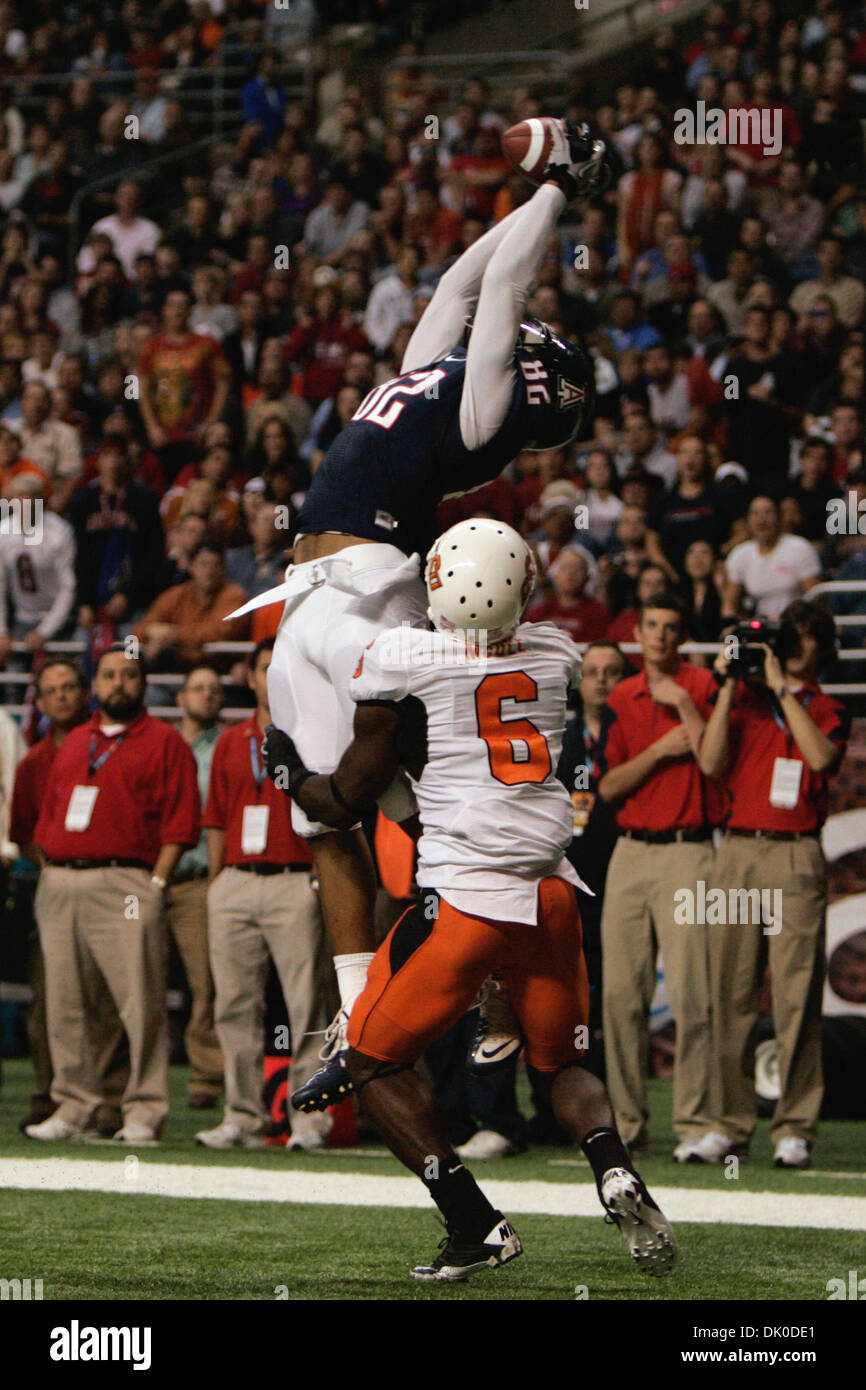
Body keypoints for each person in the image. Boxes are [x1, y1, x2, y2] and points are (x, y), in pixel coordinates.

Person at [232, 119, 609, 1114]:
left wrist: (556, 187)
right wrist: (530, 198)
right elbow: (459, 286)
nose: (522, 336)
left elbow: (503, 289)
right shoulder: (445, 379)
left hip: (370, 588)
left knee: (410, 783)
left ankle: (490, 973)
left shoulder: (485, 418)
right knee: (323, 813)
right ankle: (359, 1014)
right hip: (312, 595)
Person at [266, 519, 675, 1282]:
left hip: (466, 905)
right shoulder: (555, 652)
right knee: (563, 1065)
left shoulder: (402, 657)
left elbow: (344, 798)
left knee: (370, 1066)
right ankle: (612, 1166)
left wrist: (289, 769)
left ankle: (472, 1222)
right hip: (552, 893)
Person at [26, 646, 200, 1144]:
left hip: (127, 881)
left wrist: (157, 884)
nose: (118, 683)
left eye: (128, 675)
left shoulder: (165, 742)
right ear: (95, 685)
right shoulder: (75, 742)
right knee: (64, 1002)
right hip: (61, 881)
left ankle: (144, 1108)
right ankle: (73, 1104)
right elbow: (46, 819)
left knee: (138, 1002)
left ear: (143, 684)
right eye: (108, 675)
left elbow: (181, 822)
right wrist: (51, 873)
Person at [698, 602, 849, 1167]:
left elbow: (822, 757)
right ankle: (727, 1124)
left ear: (822, 649)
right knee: (729, 991)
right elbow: (710, 763)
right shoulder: (745, 699)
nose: (796, 646)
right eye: (791, 636)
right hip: (738, 848)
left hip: (795, 851)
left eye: (807, 638)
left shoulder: (827, 706)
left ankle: (795, 1126)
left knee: (796, 995)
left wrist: (783, 687)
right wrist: (728, 683)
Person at [597, 590, 720, 1159]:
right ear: (639, 633)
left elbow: (717, 765)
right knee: (621, 996)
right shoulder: (622, 696)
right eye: (652, 625)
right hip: (630, 851)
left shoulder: (704, 686)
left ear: (682, 635)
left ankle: (695, 1125)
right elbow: (607, 786)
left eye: (671, 627)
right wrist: (662, 751)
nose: (661, 636)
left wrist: (687, 708)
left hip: (689, 850)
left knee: (695, 993)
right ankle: (627, 1124)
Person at [199, 640, 331, 1151]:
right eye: (263, 668)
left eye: (282, 668)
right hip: (235, 879)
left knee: (306, 1005)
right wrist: (217, 883)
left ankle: (309, 1120)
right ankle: (242, 1116)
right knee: (233, 1005)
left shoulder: (315, 735)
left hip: (294, 879)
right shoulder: (230, 741)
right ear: (250, 677)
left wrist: (319, 880)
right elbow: (215, 818)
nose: (272, 676)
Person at [9, 659, 129, 1132]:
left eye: (69, 687)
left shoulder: (114, 745)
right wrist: (52, 868)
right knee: (52, 997)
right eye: (51, 690)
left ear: (85, 694)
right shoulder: (34, 761)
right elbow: (22, 830)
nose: (60, 696)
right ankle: (53, 1094)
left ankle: (112, 1099)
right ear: (39, 702)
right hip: (56, 885)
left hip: (112, 882)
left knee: (112, 995)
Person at [168, 665, 225, 1110]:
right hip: (146, 880)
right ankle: (123, 1084)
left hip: (199, 880)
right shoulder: (161, 746)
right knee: (135, 985)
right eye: (198, 688)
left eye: (214, 689)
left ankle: (207, 1079)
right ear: (180, 698)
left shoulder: (228, 746)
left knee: (206, 985)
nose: (207, 695)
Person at [723, 495, 821, 618]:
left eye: (768, 512)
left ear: (779, 518)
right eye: (755, 513)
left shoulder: (800, 548)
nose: (761, 520)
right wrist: (731, 623)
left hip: (796, 621)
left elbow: (816, 599)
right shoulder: (739, 554)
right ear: (748, 521)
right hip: (759, 624)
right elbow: (729, 604)